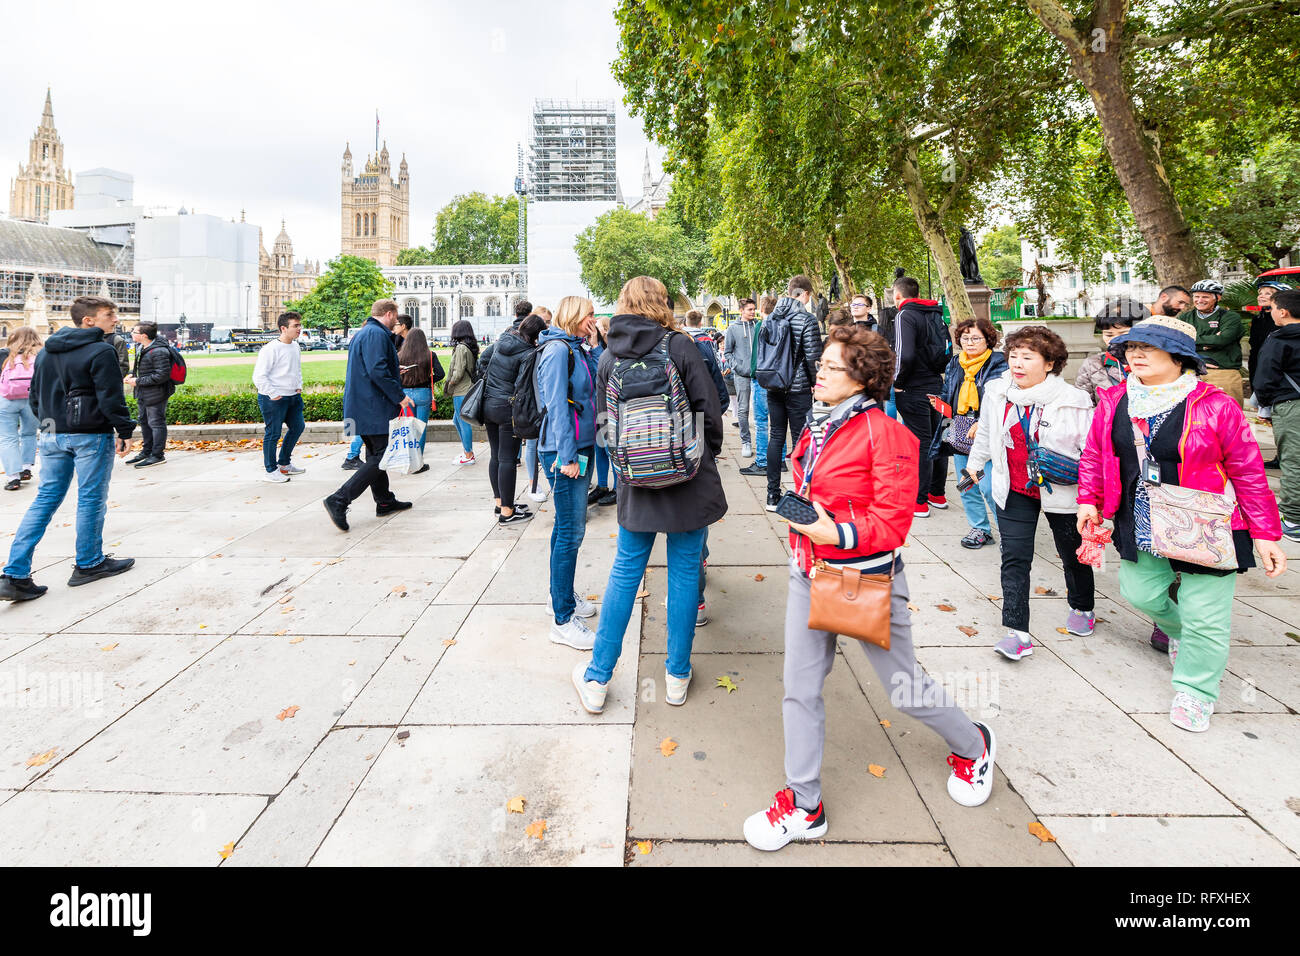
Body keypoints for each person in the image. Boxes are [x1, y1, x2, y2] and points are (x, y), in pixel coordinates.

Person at [741, 325, 996, 851]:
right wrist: (813, 524)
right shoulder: (819, 424)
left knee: (904, 689)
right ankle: (804, 804)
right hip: (808, 571)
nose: (819, 374)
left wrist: (833, 531)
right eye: (823, 365)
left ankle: (974, 745)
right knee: (799, 689)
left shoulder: (888, 434)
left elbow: (893, 522)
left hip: (866, 577)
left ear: (862, 379)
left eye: (832, 368)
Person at [1077, 315, 1286, 732]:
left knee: (1207, 614)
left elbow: (1247, 471)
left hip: (1207, 523)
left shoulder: (1216, 404)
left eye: (1148, 347)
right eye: (1131, 347)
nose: (1135, 353)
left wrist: (1265, 534)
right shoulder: (1115, 399)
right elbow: (1095, 454)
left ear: (1179, 357)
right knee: (1140, 592)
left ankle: (1196, 689)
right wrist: (1088, 501)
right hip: (1139, 517)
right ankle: (1186, 637)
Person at [572, 276, 726, 714]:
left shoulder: (607, 357)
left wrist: (631, 462)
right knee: (682, 572)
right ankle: (676, 676)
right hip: (688, 479)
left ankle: (599, 679)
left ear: (623, 304)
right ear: (661, 303)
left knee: (625, 573)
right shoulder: (680, 347)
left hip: (636, 482)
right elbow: (708, 412)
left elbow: (604, 429)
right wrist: (698, 456)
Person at [964, 326, 1097, 660]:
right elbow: (988, 432)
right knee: (1014, 556)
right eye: (1013, 356)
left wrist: (1089, 499)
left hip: (1063, 491)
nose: (1017, 364)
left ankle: (1082, 607)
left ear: (1049, 363)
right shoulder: (997, 390)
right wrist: (975, 463)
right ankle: (1017, 631)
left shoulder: (1074, 400)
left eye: (1028, 357)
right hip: (1014, 487)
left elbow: (1090, 453)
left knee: (1071, 553)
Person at [0, 296, 135, 602]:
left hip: (52, 434)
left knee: (45, 499)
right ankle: (89, 563)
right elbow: (111, 397)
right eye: (108, 315)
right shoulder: (101, 350)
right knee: (90, 498)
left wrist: (50, 426)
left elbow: (36, 397)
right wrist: (125, 429)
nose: (115, 320)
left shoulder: (47, 351)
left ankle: (15, 573)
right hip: (89, 434)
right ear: (89, 320)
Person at [537, 295, 601, 650]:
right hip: (566, 451)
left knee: (565, 528)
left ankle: (558, 596)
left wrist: (593, 345)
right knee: (571, 532)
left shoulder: (575, 348)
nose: (594, 319)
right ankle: (562, 619)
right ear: (576, 315)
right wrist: (568, 456)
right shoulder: (559, 350)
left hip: (579, 446)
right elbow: (557, 405)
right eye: (590, 315)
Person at [322, 299, 413, 532]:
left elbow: (373, 367)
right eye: (396, 315)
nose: (397, 320)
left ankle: (384, 501)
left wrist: (395, 369)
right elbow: (377, 370)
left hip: (364, 406)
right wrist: (399, 396)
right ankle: (340, 499)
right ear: (390, 314)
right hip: (374, 407)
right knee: (382, 456)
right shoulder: (376, 334)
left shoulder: (366, 332)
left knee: (376, 454)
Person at [927, 316, 1007, 549]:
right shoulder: (955, 362)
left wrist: (982, 421)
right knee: (966, 482)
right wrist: (941, 403)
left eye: (976, 338)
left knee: (989, 484)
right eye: (965, 338)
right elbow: (948, 389)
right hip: (960, 427)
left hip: (987, 429)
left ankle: (1007, 532)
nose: (970, 343)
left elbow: (1002, 397)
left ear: (988, 339)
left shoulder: (998, 363)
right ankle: (980, 528)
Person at [760, 275, 823, 510]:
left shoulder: (770, 318)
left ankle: (771, 496)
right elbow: (813, 358)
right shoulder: (806, 319)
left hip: (774, 385)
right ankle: (801, 494)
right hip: (798, 388)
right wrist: (817, 385)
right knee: (800, 441)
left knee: (776, 436)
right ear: (804, 294)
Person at [891, 275, 951, 517]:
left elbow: (903, 355)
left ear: (898, 295)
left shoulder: (905, 315)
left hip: (913, 388)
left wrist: (897, 383)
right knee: (940, 438)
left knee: (921, 443)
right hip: (936, 384)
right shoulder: (934, 313)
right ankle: (938, 493)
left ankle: (919, 501)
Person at [483, 314, 545, 525]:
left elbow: (483, 362)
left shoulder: (502, 340)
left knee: (496, 455)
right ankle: (508, 512)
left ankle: (501, 502)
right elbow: (524, 386)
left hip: (489, 403)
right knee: (508, 459)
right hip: (507, 407)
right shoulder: (528, 353)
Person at [1251, 289, 1300, 540]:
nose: (1270, 314)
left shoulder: (1279, 339)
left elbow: (1264, 378)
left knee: (1294, 461)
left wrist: (1266, 406)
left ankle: (1293, 519)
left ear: (1283, 311)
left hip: (1291, 405)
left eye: (1271, 308)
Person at [253, 311, 307, 483]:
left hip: (293, 397)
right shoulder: (270, 349)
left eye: (299, 325)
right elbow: (259, 376)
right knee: (273, 433)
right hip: (274, 399)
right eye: (295, 326)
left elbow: (296, 369)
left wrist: (299, 386)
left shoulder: (295, 346)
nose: (299, 328)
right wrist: (274, 394)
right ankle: (270, 470)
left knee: (298, 427)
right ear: (283, 328)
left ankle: (284, 463)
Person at [1178, 279, 1245, 407]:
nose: (1200, 300)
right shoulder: (1185, 317)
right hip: (1191, 371)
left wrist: (1193, 339)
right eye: (1196, 296)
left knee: (1228, 415)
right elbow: (1178, 340)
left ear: (1217, 297)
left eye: (1205, 297)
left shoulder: (1230, 317)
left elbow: (1223, 339)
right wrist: (1211, 339)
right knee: (1194, 417)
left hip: (1224, 371)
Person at [740, 295, 784, 476]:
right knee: (778, 424)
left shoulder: (761, 325)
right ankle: (780, 460)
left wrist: (752, 374)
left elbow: (756, 356)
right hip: (779, 379)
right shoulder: (783, 325)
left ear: (762, 308)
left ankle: (762, 462)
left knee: (761, 422)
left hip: (762, 379)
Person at [1075, 297, 1148, 404]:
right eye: (1109, 335)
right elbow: (1083, 407)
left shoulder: (1156, 362)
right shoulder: (1092, 365)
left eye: (1123, 334)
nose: (1116, 340)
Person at [122, 322, 174, 468]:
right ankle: (147, 451)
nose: (131, 333)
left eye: (134, 331)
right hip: (143, 392)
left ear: (143, 335)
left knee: (156, 423)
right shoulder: (141, 347)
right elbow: (140, 370)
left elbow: (162, 375)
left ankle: (158, 455)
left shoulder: (159, 351)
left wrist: (137, 381)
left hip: (156, 393)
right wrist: (131, 375)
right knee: (144, 421)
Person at [0, 327, 42, 491]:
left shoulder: (4, 353)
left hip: (7, 400)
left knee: (7, 438)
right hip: (32, 399)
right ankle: (26, 468)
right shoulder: (41, 354)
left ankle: (13, 478)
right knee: (29, 433)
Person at [587, 315, 619, 506]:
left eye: (597, 327)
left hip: (608, 408)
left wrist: (596, 347)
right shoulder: (593, 348)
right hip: (594, 405)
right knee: (599, 449)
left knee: (609, 449)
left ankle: (617, 488)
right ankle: (602, 485)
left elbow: (602, 368)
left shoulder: (610, 351)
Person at [723, 297, 759, 459]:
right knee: (743, 409)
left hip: (759, 374)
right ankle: (746, 441)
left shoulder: (759, 326)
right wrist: (737, 366)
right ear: (741, 311)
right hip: (741, 374)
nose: (753, 312)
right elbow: (727, 352)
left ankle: (761, 440)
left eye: (754, 309)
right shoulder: (733, 329)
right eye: (749, 309)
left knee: (761, 409)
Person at [444, 318, 479, 467]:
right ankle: (467, 450)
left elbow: (457, 373)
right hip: (467, 388)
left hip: (461, 390)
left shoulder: (460, 348)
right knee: (457, 420)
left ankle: (468, 454)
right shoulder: (470, 347)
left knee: (463, 422)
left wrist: (450, 385)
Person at [684, 309, 730, 416]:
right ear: (701, 323)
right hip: (702, 390)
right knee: (701, 424)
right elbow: (715, 365)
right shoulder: (706, 341)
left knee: (686, 427)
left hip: (683, 393)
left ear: (686, 322)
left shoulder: (678, 338)